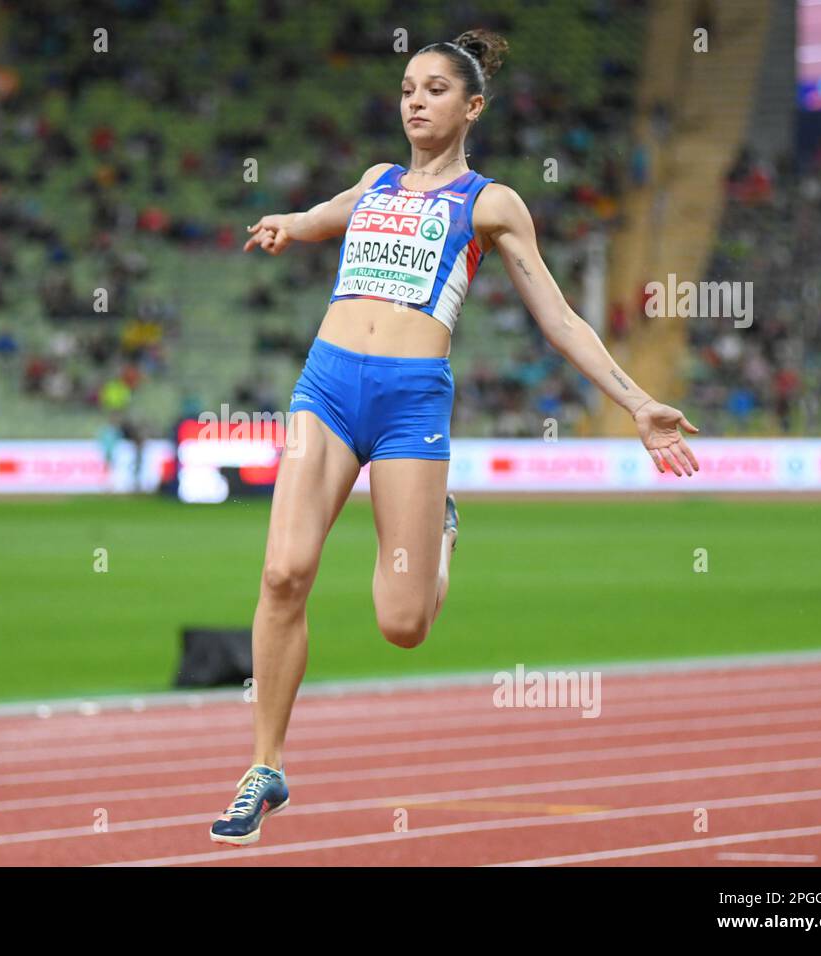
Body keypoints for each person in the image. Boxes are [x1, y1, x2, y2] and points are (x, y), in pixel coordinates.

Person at [209, 28, 701, 846]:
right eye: (407, 87)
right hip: (326, 387)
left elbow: (559, 314)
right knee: (283, 573)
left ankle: (440, 529)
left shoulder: (491, 203)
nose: (415, 101)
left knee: (402, 624)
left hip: (409, 404)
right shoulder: (377, 180)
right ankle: (265, 764)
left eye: (434, 89)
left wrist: (637, 401)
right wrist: (292, 223)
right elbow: (334, 212)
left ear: (472, 106)